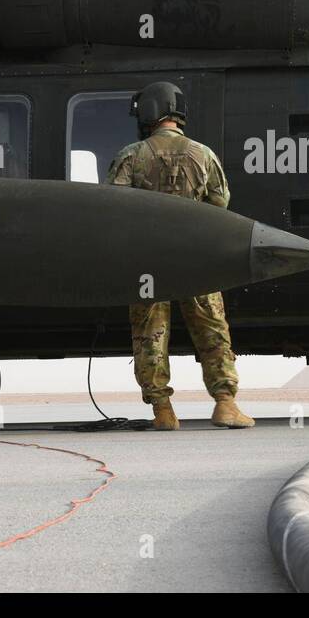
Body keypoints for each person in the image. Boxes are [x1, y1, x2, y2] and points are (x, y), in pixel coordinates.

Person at [106, 81, 254, 431]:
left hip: (149, 263)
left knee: (150, 335)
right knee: (212, 330)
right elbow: (220, 204)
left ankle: (163, 411)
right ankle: (225, 404)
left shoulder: (131, 155)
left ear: (149, 113)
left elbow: (112, 207)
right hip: (197, 260)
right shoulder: (203, 155)